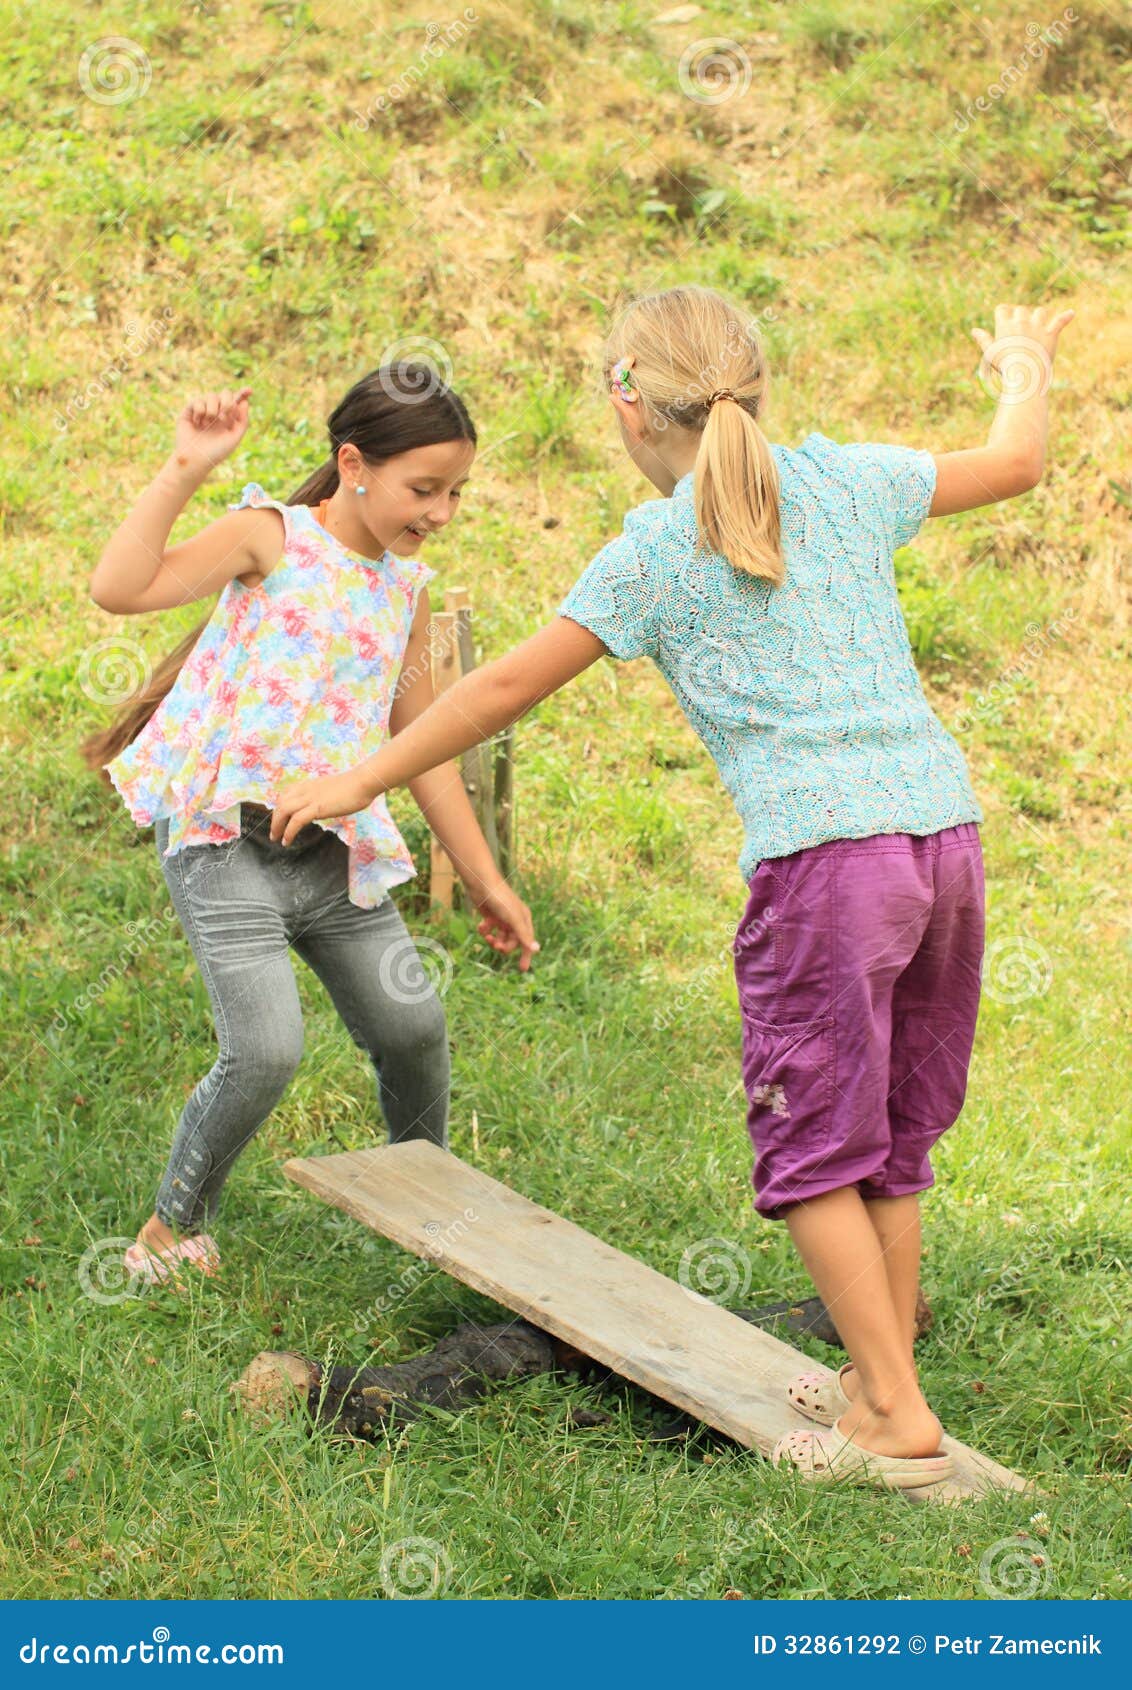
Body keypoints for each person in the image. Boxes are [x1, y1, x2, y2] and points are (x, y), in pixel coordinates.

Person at [266, 288, 1074, 1489]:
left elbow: (495, 695)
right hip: (940, 840)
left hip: (825, 863)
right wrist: (1020, 364)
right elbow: (1016, 460)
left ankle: (894, 1417)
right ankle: (875, 1376)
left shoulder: (652, 549)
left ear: (624, 401)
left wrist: (357, 779)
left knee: (812, 1148)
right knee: (894, 1139)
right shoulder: (846, 479)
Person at [83, 368, 538, 1287]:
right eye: (425, 489)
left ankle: (426, 1197)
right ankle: (173, 1227)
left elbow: (425, 749)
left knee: (413, 1022)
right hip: (225, 844)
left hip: (333, 857)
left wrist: (487, 882)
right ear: (352, 465)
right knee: (265, 1050)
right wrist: (184, 466)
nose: (443, 511)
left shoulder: (405, 592)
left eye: (457, 491)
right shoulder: (270, 538)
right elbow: (120, 588)